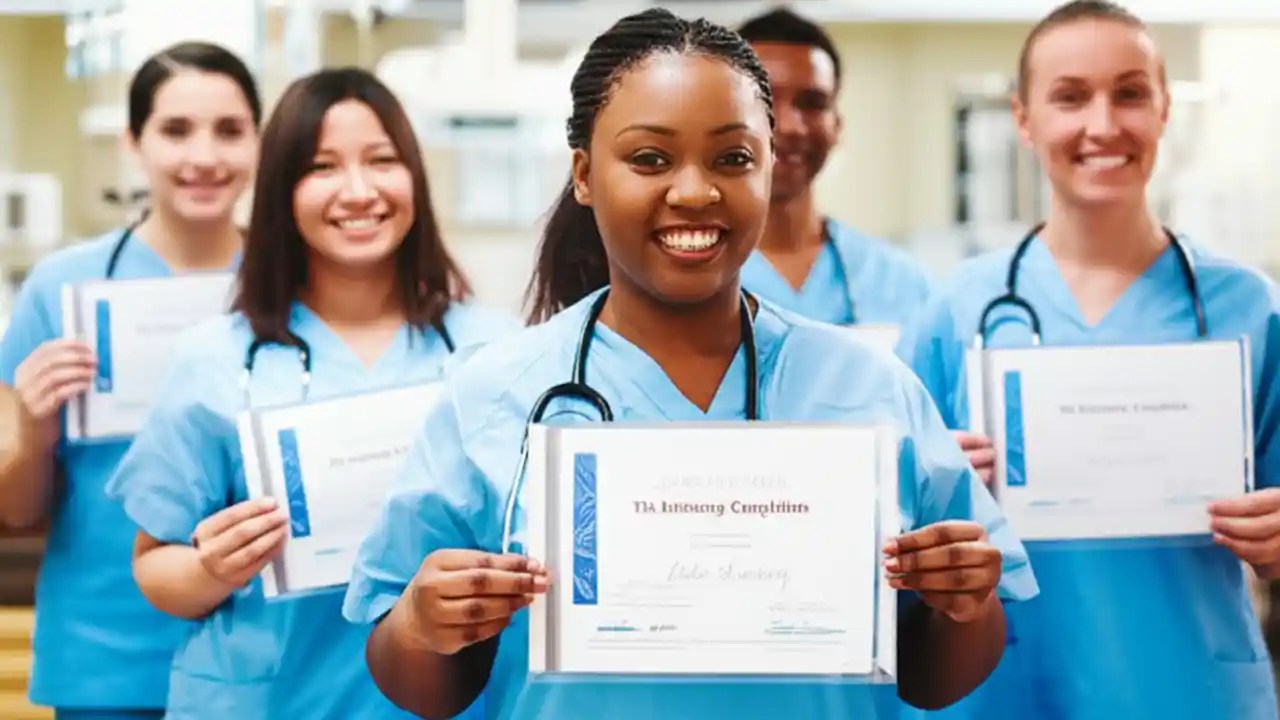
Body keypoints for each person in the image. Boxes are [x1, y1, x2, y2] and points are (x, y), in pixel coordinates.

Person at [344, 9, 1037, 720]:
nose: (695, 191)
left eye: (733, 159)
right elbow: (420, 685)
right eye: (650, 159)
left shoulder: (869, 387)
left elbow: (932, 679)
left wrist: (965, 605)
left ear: (770, 169)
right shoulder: (494, 394)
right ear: (584, 175)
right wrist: (422, 626)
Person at [102, 67, 518, 719]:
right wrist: (215, 567)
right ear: (281, 193)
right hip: (267, 699)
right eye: (322, 167)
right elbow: (155, 569)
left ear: (414, 176)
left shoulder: (493, 353)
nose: (358, 191)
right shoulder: (214, 359)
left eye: (382, 160)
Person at [905, 2, 1280, 718]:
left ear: (1165, 108)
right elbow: (884, 530)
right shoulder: (956, 311)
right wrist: (928, 493)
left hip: (1186, 686)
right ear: (1023, 118)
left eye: (1130, 93)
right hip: (1004, 690)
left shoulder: (1252, 310)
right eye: (1070, 96)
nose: (1103, 124)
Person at [0, 42, 261, 720]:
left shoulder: (295, 288)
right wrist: (31, 425)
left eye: (229, 130)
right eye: (175, 130)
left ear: (260, 143)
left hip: (262, 648)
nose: (203, 156)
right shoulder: (62, 290)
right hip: (106, 652)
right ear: (133, 142)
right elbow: (17, 510)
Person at [734, 7, 934, 357]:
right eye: (763, 100)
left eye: (812, 103)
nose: (790, 125)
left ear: (837, 125)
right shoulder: (689, 274)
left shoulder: (898, 282)